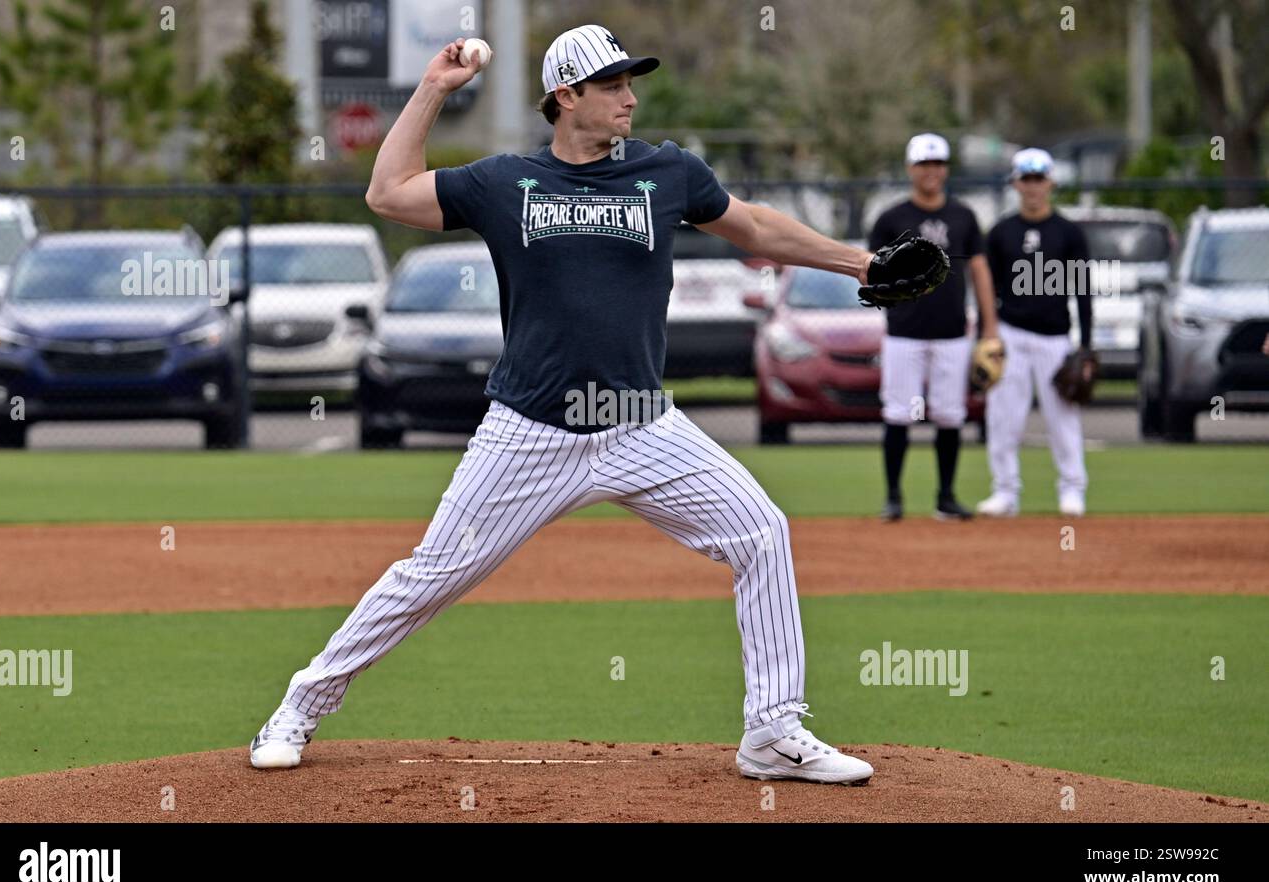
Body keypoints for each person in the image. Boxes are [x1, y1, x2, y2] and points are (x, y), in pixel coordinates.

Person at [246, 24, 920, 785]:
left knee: (762, 533)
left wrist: (862, 262)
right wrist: (433, 88)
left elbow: (756, 225)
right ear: (566, 97)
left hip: (643, 425)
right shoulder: (504, 182)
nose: (629, 98)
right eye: (611, 86)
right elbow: (387, 193)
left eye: (630, 84)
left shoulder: (667, 172)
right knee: (430, 575)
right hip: (530, 430)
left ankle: (772, 730)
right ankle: (300, 705)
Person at [868, 133, 998, 522]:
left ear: (946, 169)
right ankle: (893, 497)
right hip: (904, 331)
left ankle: (946, 497)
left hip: (952, 332)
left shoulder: (964, 216)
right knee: (898, 413)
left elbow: (979, 269)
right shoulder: (892, 219)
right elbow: (871, 269)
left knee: (949, 414)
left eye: (938, 163)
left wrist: (990, 326)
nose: (931, 171)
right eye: (924, 164)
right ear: (911, 169)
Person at [978, 148, 1094, 517]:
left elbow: (1082, 290)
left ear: (1051, 183)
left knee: (1062, 416)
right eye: (1025, 179)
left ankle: (1072, 490)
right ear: (1015, 183)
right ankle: (1005, 492)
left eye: (1038, 178)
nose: (1032, 186)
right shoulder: (1001, 232)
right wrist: (988, 335)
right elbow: (986, 289)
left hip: (1054, 338)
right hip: (1010, 334)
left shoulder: (1068, 233)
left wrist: (1086, 346)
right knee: (1003, 417)